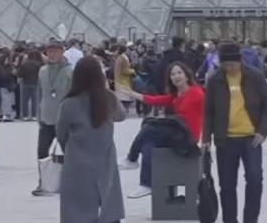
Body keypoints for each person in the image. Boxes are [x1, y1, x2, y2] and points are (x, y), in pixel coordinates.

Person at [202, 42, 267, 223]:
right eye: (226, 65)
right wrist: (206, 138)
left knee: (255, 180)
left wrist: (262, 131)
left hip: (251, 138)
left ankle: (250, 219)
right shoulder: (215, 80)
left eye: (233, 65)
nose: (230, 69)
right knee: (226, 185)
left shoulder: (254, 76)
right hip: (225, 140)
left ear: (240, 61)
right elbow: (209, 111)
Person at [121, 61, 205, 198]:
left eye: (179, 73)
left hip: (187, 136)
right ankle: (146, 184)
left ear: (187, 75)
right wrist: (132, 94)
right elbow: (155, 100)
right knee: (148, 144)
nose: (176, 76)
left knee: (149, 127)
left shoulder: (196, 93)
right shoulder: (175, 96)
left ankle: (131, 159)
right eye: (173, 74)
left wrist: (208, 138)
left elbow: (210, 109)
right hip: (176, 134)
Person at [57, 56, 125, 223]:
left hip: (76, 162)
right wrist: (108, 89)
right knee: (108, 203)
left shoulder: (69, 103)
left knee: (76, 209)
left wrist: (70, 147)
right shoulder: (108, 99)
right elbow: (121, 115)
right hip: (105, 159)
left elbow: (60, 132)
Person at [32, 39, 73, 196]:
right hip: (46, 118)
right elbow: (39, 94)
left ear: (62, 52)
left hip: (64, 120)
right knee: (41, 152)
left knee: (69, 153)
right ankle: (43, 182)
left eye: (55, 51)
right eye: (49, 51)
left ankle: (70, 183)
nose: (52, 54)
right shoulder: (42, 71)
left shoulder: (70, 72)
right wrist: (38, 114)